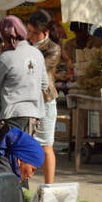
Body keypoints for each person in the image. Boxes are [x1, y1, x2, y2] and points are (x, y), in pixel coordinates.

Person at [0, 14, 45, 141]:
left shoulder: (7, 57)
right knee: (25, 156)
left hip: (11, 115)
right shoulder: (37, 53)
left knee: (9, 157)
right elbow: (44, 84)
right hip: (33, 116)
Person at [26, 10, 60, 185]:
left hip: (45, 101)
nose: (30, 36)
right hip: (25, 101)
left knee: (46, 146)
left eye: (34, 32)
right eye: (28, 31)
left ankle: (49, 187)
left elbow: (40, 72)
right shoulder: (24, 45)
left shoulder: (53, 48)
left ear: (45, 33)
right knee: (23, 145)